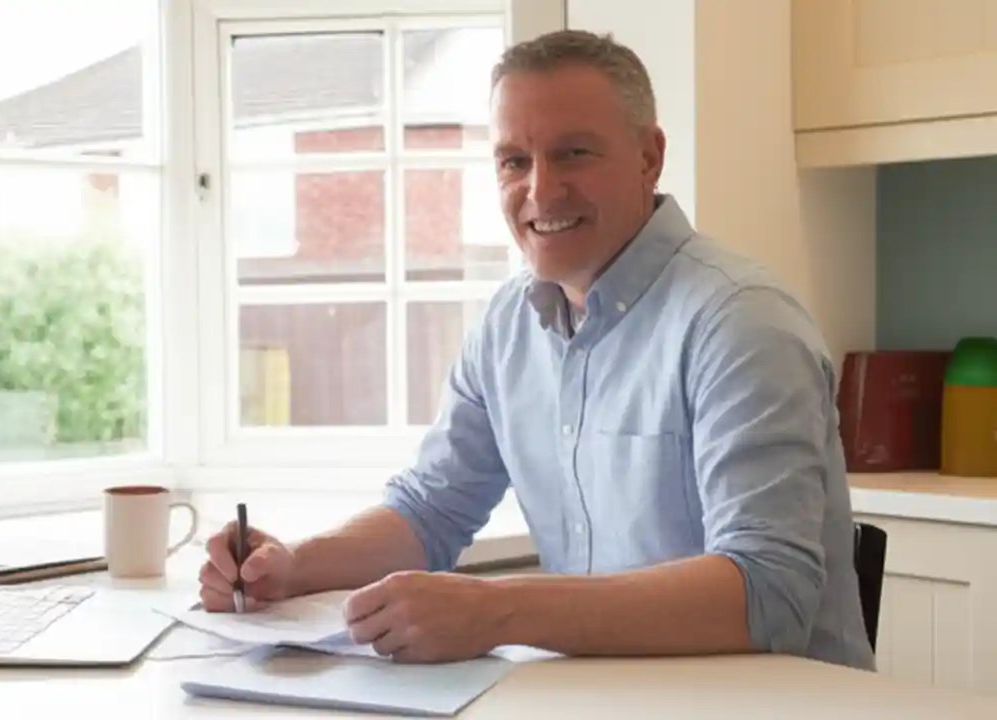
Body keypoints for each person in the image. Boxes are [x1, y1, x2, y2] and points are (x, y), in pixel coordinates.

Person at [199, 28, 875, 671]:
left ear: (649, 157)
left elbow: (768, 594)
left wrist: (499, 611)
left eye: (574, 153)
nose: (540, 190)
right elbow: (430, 510)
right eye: (514, 161)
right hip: (605, 696)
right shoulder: (506, 325)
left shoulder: (741, 323)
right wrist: (293, 565)